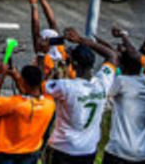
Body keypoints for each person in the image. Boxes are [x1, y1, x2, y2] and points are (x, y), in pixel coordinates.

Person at [43, 27, 119, 163]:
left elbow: (39, 86)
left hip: (63, 148)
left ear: (74, 64)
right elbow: (112, 55)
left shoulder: (65, 86)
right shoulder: (103, 82)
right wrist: (82, 41)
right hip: (88, 150)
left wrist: (44, 57)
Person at [103, 28, 145, 164]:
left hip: (118, 151)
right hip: (142, 153)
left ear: (122, 65)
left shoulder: (122, 82)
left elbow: (104, 92)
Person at [0, 63, 55, 164]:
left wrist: (1, 75)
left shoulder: (15, 104)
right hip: (30, 153)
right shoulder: (50, 104)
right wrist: (17, 78)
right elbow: (30, 95)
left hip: (5, 153)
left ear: (24, 82)